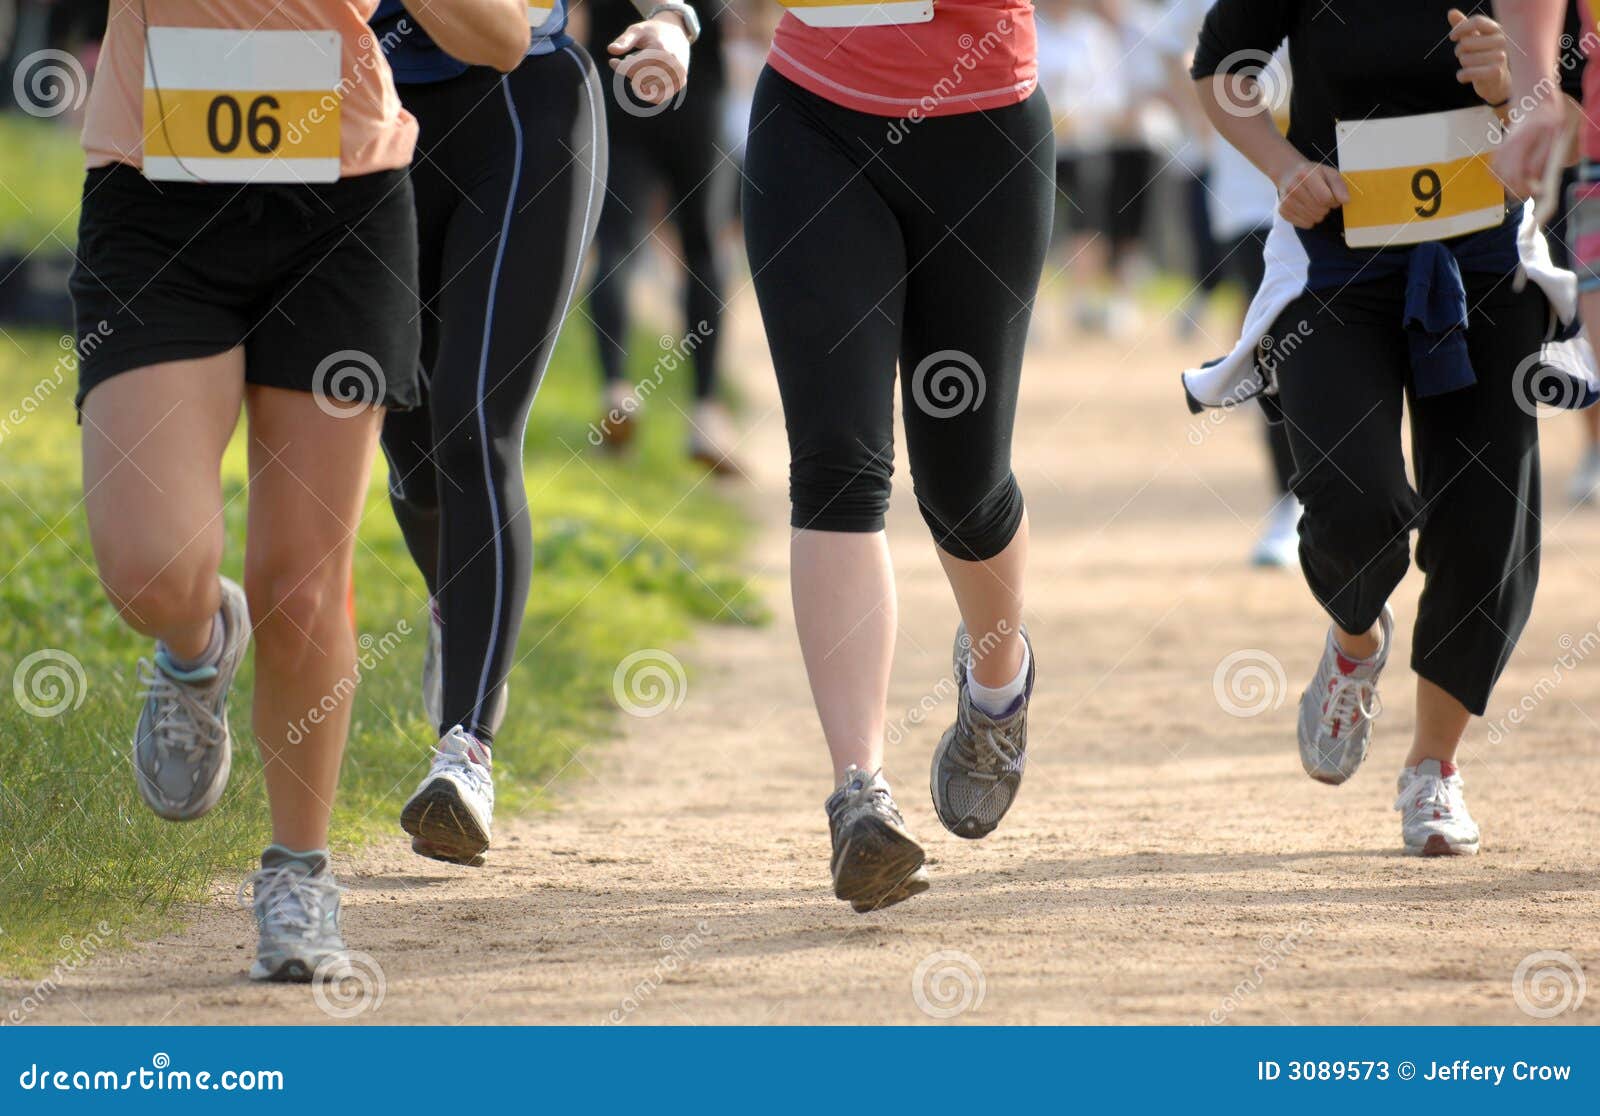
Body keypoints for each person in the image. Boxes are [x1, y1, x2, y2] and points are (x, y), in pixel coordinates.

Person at [70, 0, 528, 980]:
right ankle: (195, 649)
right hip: (154, 196)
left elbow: (502, 40)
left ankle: (298, 875)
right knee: (150, 571)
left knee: (301, 583)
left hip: (343, 205)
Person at [1185, 1, 1595, 856]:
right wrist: (1283, 166)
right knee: (1354, 497)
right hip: (1335, 262)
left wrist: (1516, 90)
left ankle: (1432, 771)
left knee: (1484, 525)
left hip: (1489, 267)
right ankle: (1356, 640)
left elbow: (1579, 121)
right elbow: (1220, 65)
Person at [742, 0, 1051, 911]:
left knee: (963, 485)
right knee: (837, 459)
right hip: (812, 121)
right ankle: (859, 794)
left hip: (985, 128)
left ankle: (998, 687)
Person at [369, 0, 694, 867]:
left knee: (474, 422)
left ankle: (464, 750)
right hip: (363, 106)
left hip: (527, 107)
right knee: (402, 428)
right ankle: (456, 601)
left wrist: (672, 15)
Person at [584, 0, 738, 471]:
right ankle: (705, 410)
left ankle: (616, 388)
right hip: (696, 89)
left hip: (618, 85)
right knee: (704, 246)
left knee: (614, 243)